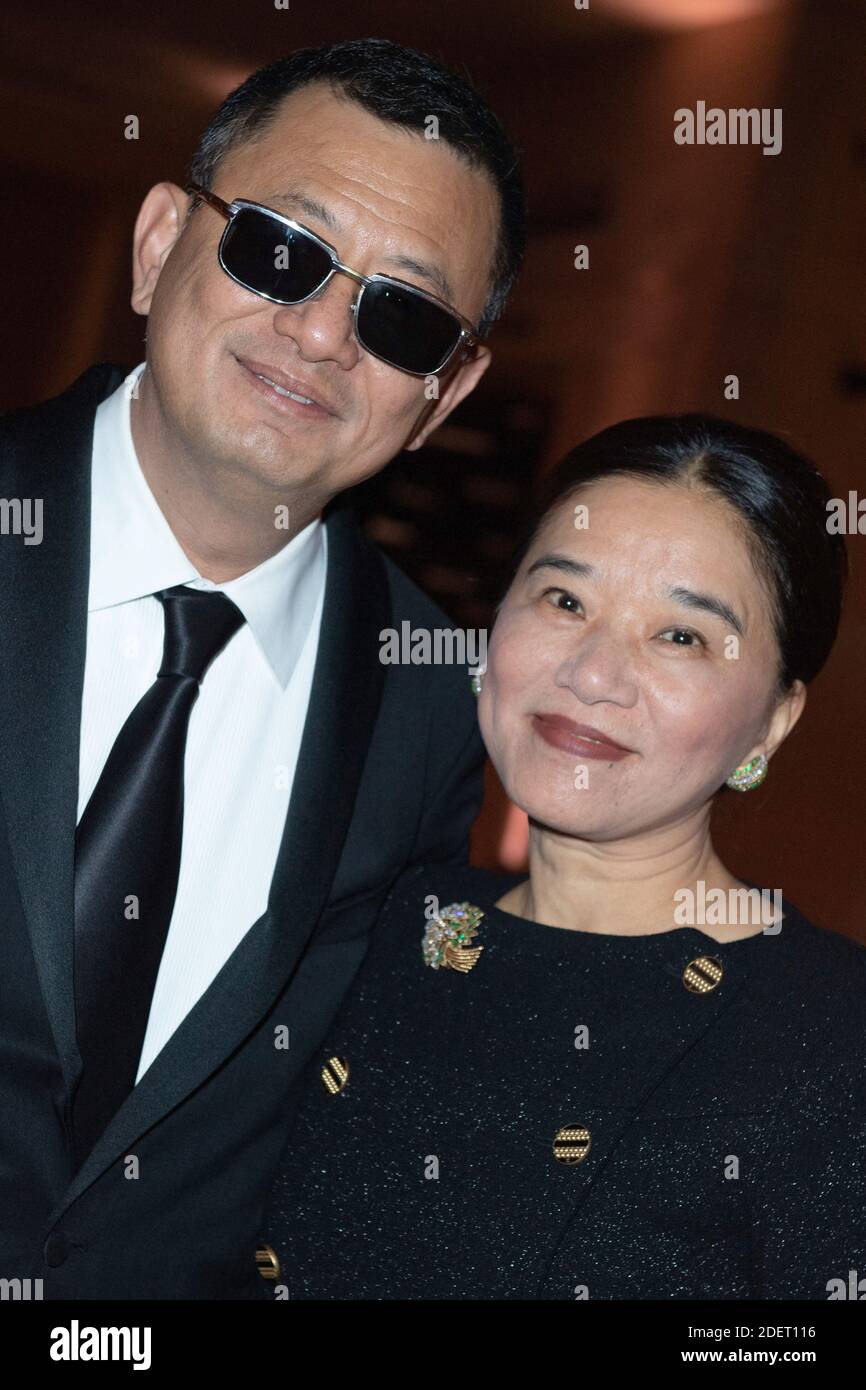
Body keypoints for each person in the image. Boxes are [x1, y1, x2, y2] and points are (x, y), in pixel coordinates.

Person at [0, 38, 526, 1298]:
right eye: (280, 247)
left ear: (444, 393)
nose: (321, 332)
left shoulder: (436, 710)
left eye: (402, 313)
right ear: (156, 243)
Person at [259, 414, 866, 1300]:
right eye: (565, 600)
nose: (592, 672)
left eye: (681, 636)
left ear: (772, 721)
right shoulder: (378, 924)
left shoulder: (831, 1038)